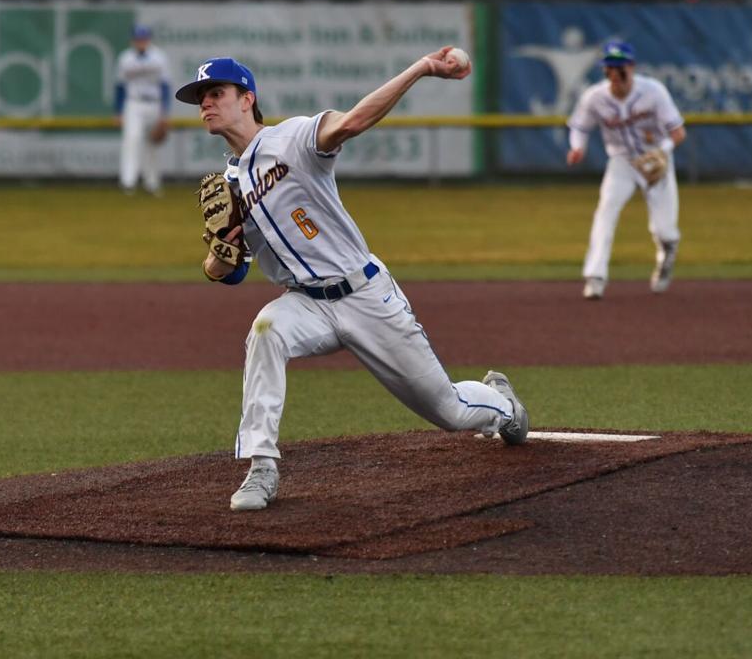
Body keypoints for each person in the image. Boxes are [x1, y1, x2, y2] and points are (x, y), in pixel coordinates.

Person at [175, 48, 530, 512]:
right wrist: (217, 254)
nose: (205, 102)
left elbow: (355, 120)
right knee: (266, 329)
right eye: (200, 96)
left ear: (247, 99)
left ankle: (502, 404)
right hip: (307, 304)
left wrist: (422, 68)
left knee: (449, 411)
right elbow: (230, 272)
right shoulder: (231, 185)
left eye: (216, 92)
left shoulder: (293, 138)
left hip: (364, 295)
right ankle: (261, 465)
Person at [566, 40, 687, 300]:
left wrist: (662, 152)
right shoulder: (595, 97)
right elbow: (579, 127)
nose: (614, 72)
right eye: (609, 67)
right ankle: (595, 277)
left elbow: (678, 132)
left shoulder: (653, 91)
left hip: (655, 161)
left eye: (619, 66)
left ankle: (667, 252)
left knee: (664, 230)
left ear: (631, 67)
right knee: (605, 212)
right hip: (621, 162)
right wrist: (577, 147)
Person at [114, 24, 171, 195]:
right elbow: (120, 86)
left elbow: (165, 85)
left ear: (149, 39)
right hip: (134, 103)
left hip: (154, 103)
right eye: (138, 39)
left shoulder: (159, 57)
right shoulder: (125, 58)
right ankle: (128, 182)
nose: (141, 42)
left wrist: (165, 112)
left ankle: (152, 182)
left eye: (144, 38)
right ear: (133, 40)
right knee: (132, 140)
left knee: (152, 143)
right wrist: (118, 111)